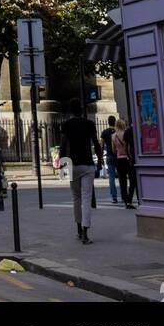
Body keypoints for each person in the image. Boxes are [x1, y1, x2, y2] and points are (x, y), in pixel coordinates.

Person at [59, 100, 103, 245]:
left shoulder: (66, 125)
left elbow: (63, 144)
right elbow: (96, 143)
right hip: (87, 164)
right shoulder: (89, 124)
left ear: (71, 111)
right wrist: (100, 160)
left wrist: (61, 163)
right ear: (82, 109)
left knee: (76, 198)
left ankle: (78, 229)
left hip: (72, 164)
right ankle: (85, 232)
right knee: (86, 198)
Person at [113, 118, 136, 209]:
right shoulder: (126, 133)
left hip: (119, 159)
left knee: (122, 181)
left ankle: (125, 200)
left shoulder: (113, 136)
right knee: (132, 180)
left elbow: (113, 150)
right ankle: (130, 198)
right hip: (127, 159)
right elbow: (128, 147)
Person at [100, 115, 119, 204]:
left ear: (108, 122)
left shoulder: (104, 132)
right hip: (118, 156)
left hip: (110, 156)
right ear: (115, 122)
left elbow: (101, 145)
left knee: (111, 177)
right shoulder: (117, 132)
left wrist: (101, 156)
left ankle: (114, 197)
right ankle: (124, 195)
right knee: (122, 177)